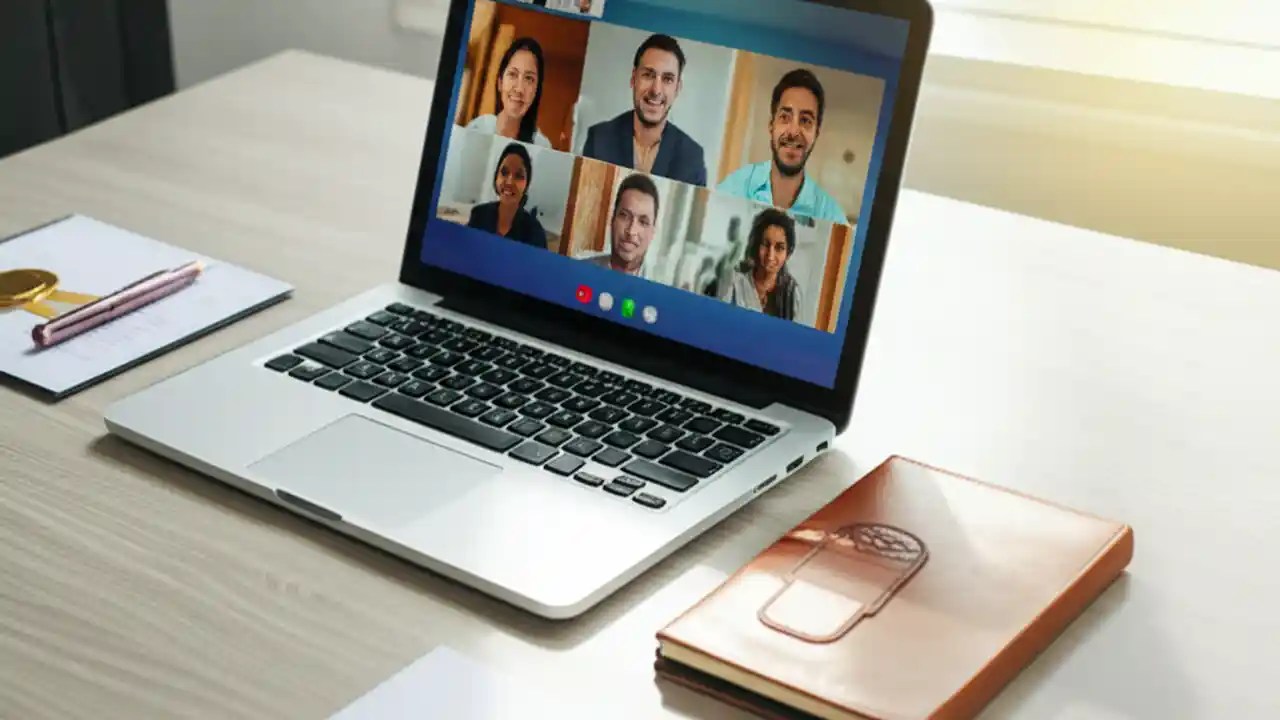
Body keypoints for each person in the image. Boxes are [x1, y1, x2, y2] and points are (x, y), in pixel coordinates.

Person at [717, 69, 848, 224]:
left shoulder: (832, 216)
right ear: (771, 125)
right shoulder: (734, 188)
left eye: (805, 120)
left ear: (816, 133)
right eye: (785, 117)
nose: (793, 131)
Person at [581, 34, 706, 185]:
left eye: (667, 79)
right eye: (648, 75)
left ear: (677, 88)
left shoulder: (692, 158)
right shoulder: (599, 138)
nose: (656, 90)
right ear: (634, 78)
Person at [719, 208, 808, 323]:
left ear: (788, 254)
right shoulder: (734, 281)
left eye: (779, 248)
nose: (770, 256)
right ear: (756, 245)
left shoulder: (792, 293)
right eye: (766, 245)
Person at [466, 38, 552, 148]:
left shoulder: (542, 146)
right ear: (500, 82)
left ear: (537, 90)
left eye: (529, 78)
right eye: (513, 74)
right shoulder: (478, 129)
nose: (519, 89)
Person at [467, 143, 548, 249]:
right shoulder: (478, 215)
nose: (509, 182)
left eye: (518, 176)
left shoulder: (535, 233)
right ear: (496, 177)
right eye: (504, 172)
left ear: (526, 185)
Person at [579, 173, 659, 276]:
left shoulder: (661, 289)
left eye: (643, 222)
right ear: (612, 219)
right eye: (625, 216)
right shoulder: (580, 271)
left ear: (652, 232)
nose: (631, 231)